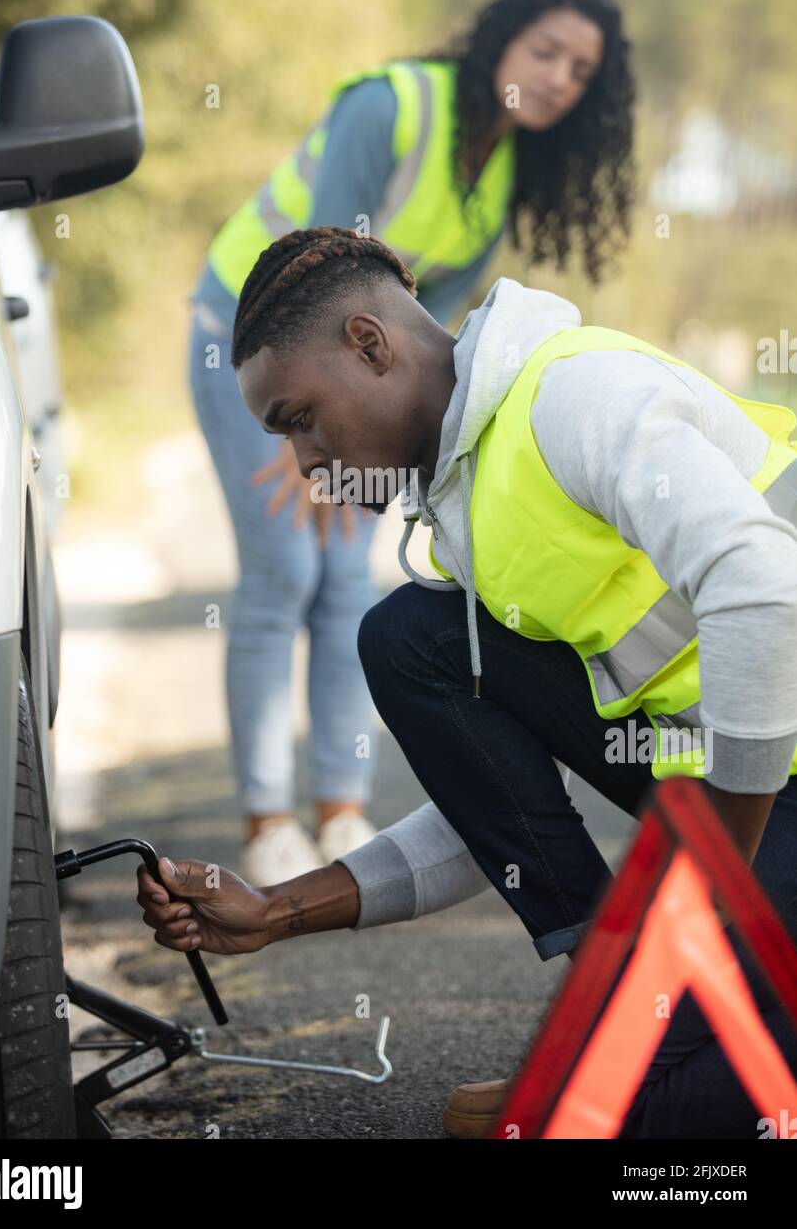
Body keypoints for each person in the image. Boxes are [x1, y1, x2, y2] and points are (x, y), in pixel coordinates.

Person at [144, 227, 797, 1139]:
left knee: (650, 1114)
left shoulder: (570, 396)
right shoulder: (466, 508)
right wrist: (276, 911)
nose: (302, 462)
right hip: (740, 783)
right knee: (410, 639)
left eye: (298, 418)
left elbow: (765, 586)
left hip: (755, 783)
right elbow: (501, 811)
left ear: (369, 345)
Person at [188, 0, 635, 886]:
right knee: (283, 569)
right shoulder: (394, 107)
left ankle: (340, 807)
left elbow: (427, 315)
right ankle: (268, 819)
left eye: (580, 70)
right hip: (253, 353)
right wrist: (293, 436)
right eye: (545, 50)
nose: (558, 77)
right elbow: (303, 271)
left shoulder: (508, 170)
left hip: (354, 376)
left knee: (346, 577)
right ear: (500, 40)